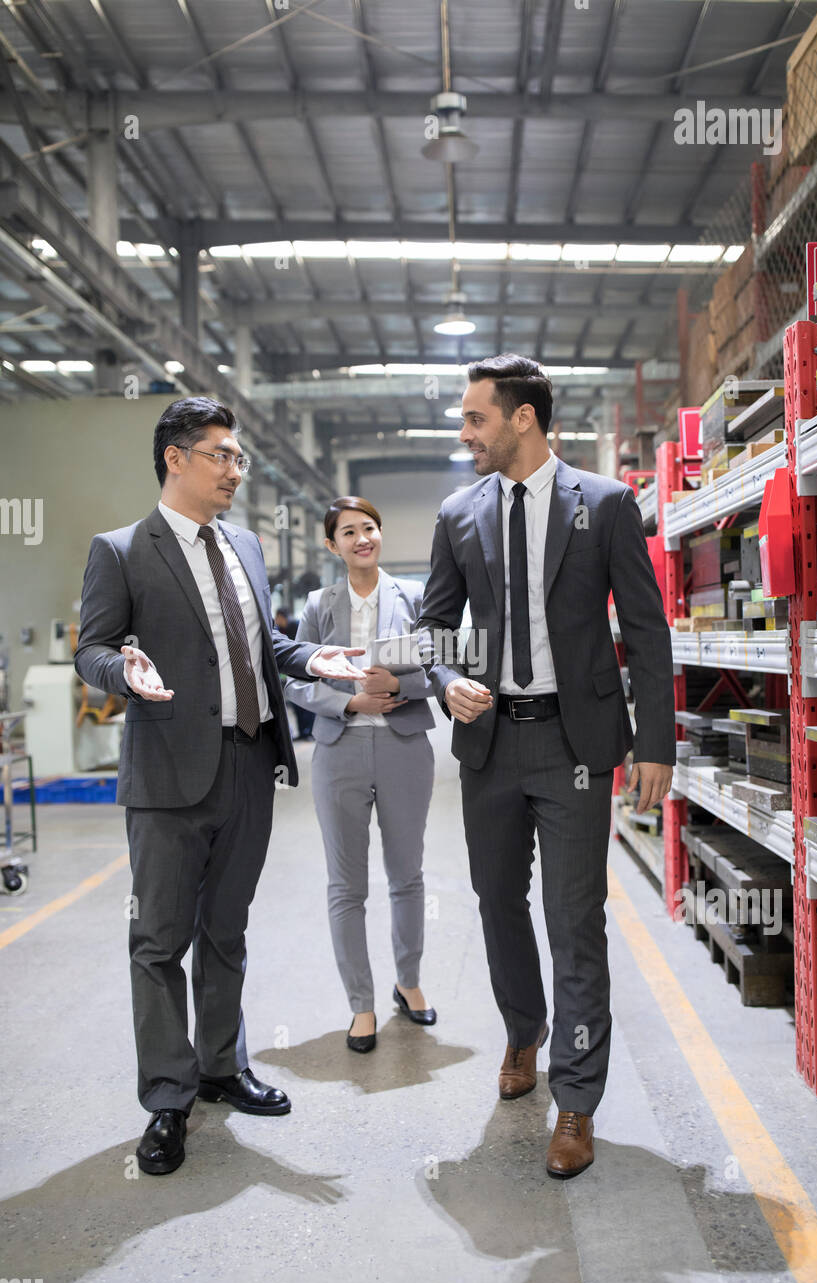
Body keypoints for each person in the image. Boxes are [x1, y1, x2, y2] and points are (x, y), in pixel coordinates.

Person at [73, 396, 366, 1176]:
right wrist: (122, 671)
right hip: (169, 772)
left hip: (246, 764)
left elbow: (262, 640)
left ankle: (219, 1067)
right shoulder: (123, 549)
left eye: (239, 458)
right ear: (177, 458)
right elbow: (93, 648)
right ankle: (168, 1101)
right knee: (159, 939)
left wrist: (311, 659)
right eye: (223, 455)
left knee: (226, 931)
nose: (236, 470)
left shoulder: (243, 544)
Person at [413, 355, 675, 1180]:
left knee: (575, 919)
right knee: (497, 904)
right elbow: (431, 628)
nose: (466, 434)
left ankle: (576, 1099)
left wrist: (658, 742)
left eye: (475, 419)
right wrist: (446, 678)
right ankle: (522, 1030)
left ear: (522, 418)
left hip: (575, 741)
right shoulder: (460, 513)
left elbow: (647, 629)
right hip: (490, 740)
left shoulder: (604, 505)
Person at [285, 497, 437, 1053]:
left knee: (408, 876)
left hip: (404, 750)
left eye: (369, 528)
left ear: (380, 534)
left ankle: (409, 982)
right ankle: (361, 1005)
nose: (361, 538)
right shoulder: (318, 605)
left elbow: (442, 667)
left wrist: (399, 688)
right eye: (348, 532)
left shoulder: (415, 598)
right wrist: (349, 705)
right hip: (340, 751)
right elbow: (294, 679)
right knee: (346, 885)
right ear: (333, 546)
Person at [277, 609, 315, 739]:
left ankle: (308, 732)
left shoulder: (295, 625)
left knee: (304, 704)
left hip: (303, 669)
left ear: (281, 617)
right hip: (294, 671)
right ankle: (304, 732)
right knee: (297, 704)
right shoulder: (283, 628)